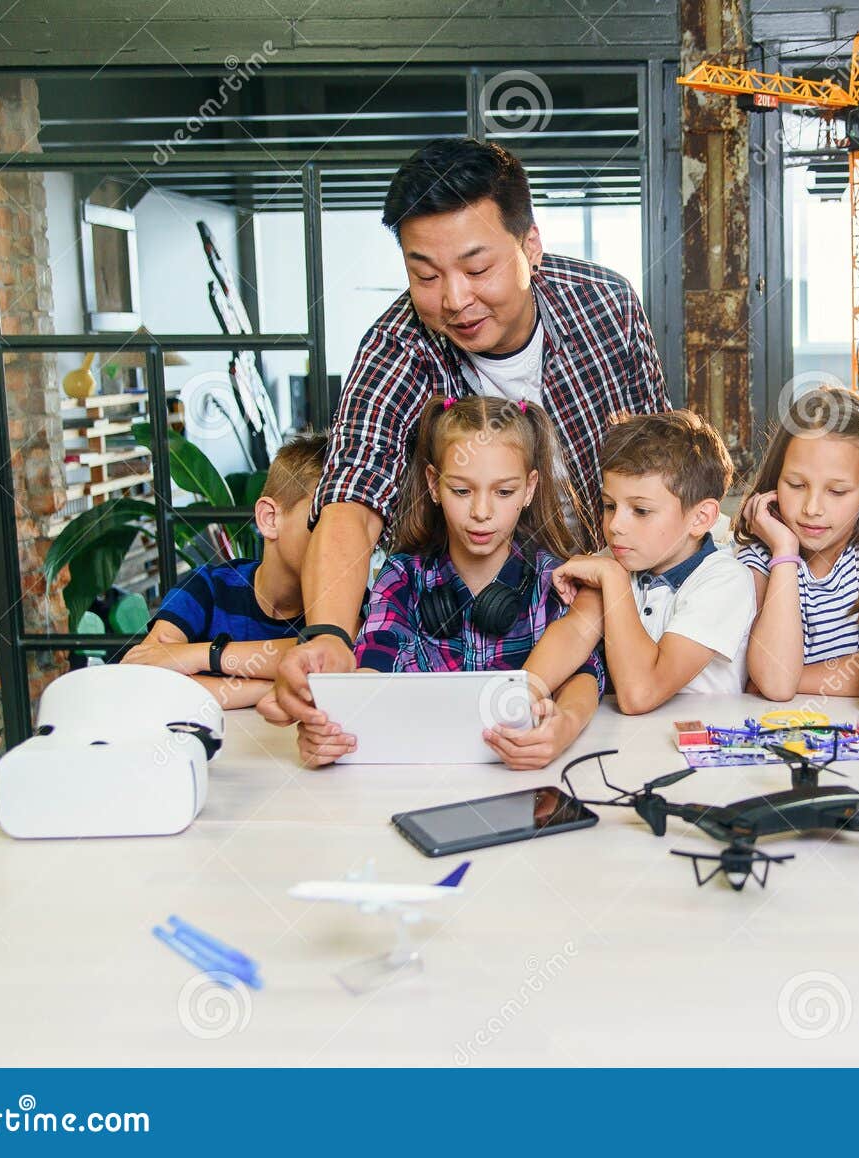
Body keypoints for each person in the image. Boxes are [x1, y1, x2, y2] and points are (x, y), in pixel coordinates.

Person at [270, 137, 669, 727]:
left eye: (477, 269)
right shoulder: (395, 347)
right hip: (465, 636)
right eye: (425, 275)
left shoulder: (605, 307)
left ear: (530, 246)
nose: (455, 300)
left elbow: (661, 468)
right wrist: (329, 633)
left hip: (619, 617)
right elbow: (352, 499)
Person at [261, 397, 605, 770]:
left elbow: (583, 673)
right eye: (461, 490)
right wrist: (331, 726)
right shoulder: (402, 578)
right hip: (419, 778)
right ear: (434, 484)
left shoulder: (553, 580)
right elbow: (373, 663)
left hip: (521, 778)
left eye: (504, 492)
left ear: (529, 488)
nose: (481, 512)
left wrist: (566, 725)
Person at [545, 410, 756, 715]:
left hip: (703, 738)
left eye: (641, 511)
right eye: (609, 505)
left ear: (700, 518)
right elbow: (573, 635)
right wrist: (520, 694)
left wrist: (613, 578)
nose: (615, 525)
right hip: (621, 737)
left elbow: (639, 695)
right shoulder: (614, 560)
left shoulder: (725, 580)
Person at [123, 433, 327, 708]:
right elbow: (146, 677)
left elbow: (329, 662)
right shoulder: (207, 588)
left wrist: (202, 656)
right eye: (321, 519)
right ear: (269, 519)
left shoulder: (351, 602)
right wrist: (274, 689)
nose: (341, 540)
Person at [733, 386, 859, 701]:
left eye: (837, 491)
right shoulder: (758, 560)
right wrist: (784, 553)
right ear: (776, 479)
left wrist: (795, 677)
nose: (812, 508)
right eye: (796, 485)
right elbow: (776, 684)